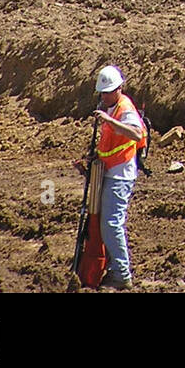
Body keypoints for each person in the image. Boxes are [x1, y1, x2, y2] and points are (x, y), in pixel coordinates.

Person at [77, 65, 147, 290]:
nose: (104, 96)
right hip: (108, 171)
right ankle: (110, 266)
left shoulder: (124, 108)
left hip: (121, 176)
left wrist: (110, 121)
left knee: (111, 224)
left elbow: (136, 133)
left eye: (108, 92)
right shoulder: (111, 107)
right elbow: (109, 144)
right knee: (101, 222)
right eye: (102, 93)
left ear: (119, 89)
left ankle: (122, 273)